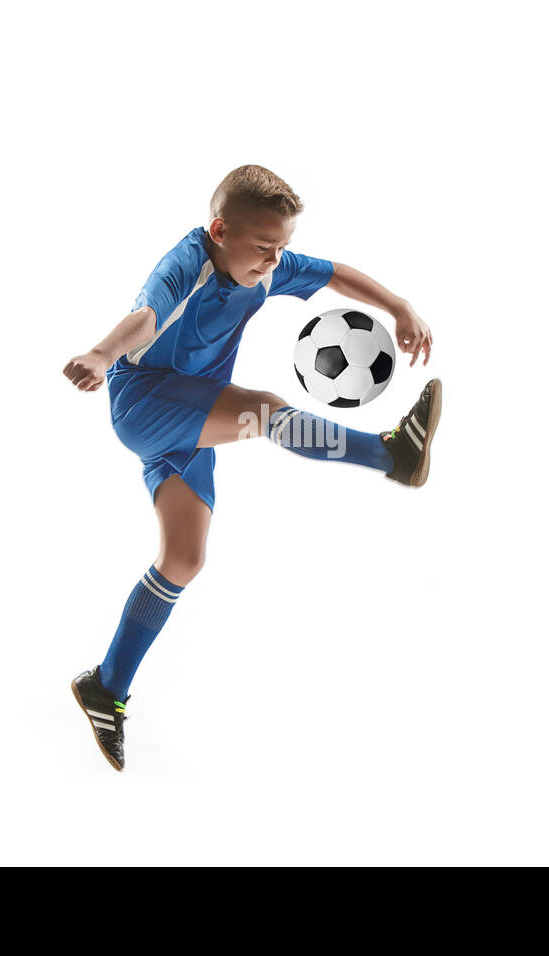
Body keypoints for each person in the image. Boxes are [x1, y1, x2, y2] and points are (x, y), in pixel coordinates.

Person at [62, 164, 441, 771]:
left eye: (280, 247)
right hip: (147, 403)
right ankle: (393, 453)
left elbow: (335, 273)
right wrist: (102, 353)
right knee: (266, 412)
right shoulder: (184, 265)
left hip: (194, 417)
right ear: (219, 230)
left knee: (183, 559)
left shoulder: (267, 268)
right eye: (263, 247)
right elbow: (146, 318)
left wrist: (399, 305)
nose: (273, 260)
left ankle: (105, 687)